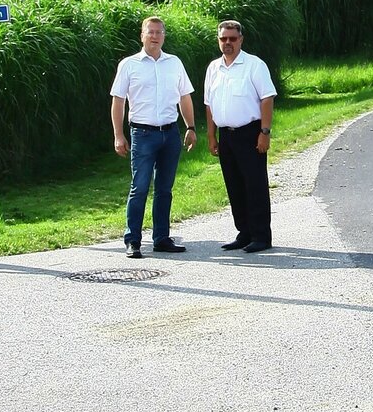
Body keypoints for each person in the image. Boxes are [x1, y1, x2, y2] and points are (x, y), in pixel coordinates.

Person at [109, 17, 197, 256]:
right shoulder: (129, 65)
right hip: (142, 134)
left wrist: (190, 127)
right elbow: (118, 101)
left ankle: (161, 238)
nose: (155, 36)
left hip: (170, 133)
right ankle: (133, 240)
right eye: (150, 32)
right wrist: (119, 135)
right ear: (142, 35)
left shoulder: (174, 63)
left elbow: (185, 97)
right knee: (139, 187)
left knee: (165, 189)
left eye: (159, 32)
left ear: (164, 36)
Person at [204, 19, 276, 253]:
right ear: (218, 40)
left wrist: (264, 132)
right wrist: (211, 135)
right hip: (226, 135)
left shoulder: (254, 65)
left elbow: (267, 98)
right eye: (223, 39)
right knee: (234, 185)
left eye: (232, 39)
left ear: (241, 40)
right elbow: (209, 104)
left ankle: (261, 236)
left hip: (250, 133)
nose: (227, 43)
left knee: (254, 185)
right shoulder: (213, 68)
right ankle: (244, 232)